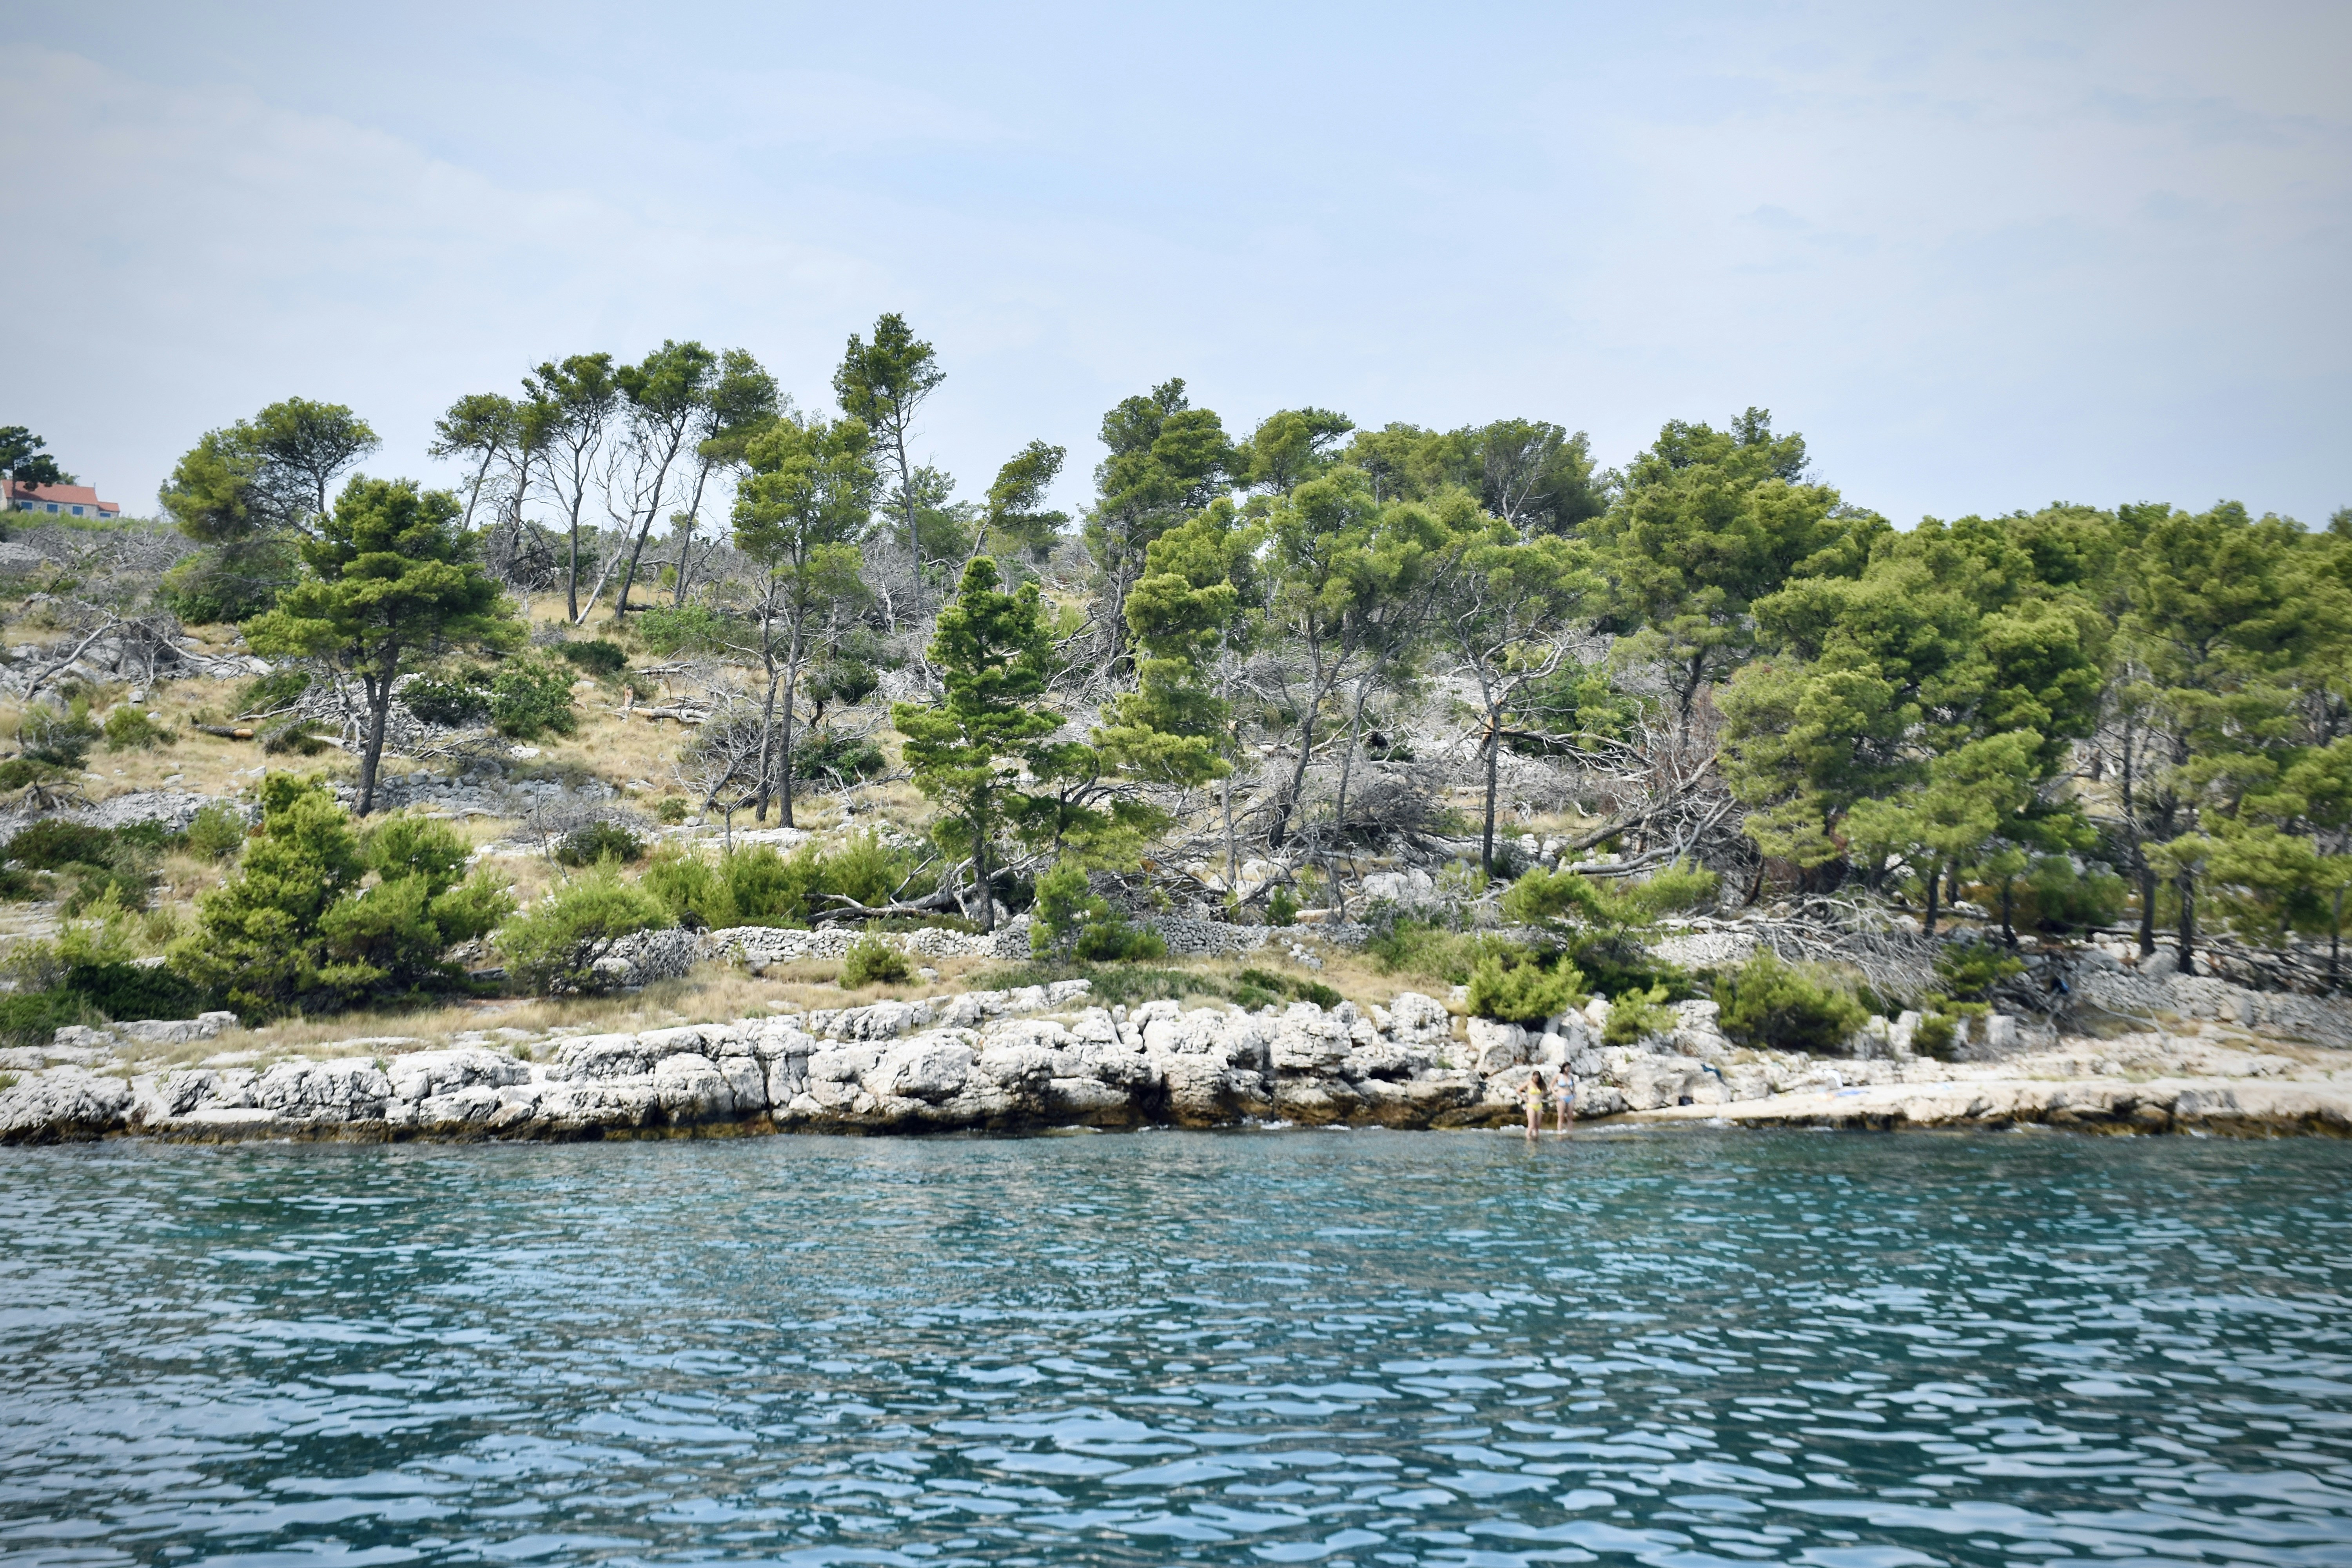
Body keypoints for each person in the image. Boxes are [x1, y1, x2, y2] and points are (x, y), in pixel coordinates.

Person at [1523, 1069, 1546, 1138]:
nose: (1537, 1079)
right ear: (1533, 1077)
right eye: (1535, 1078)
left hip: (1539, 1105)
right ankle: (1528, 1139)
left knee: (1537, 1126)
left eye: (1538, 1078)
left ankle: (1536, 1140)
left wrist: (1541, 1097)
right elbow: (1518, 1090)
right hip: (1531, 1105)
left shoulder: (1540, 1084)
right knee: (1531, 1125)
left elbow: (1545, 1091)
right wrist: (1524, 1098)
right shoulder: (1529, 1083)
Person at [1553, 1070, 1576, 1134]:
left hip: (1570, 1097)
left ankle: (1570, 1132)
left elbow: (1573, 1085)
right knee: (1561, 1116)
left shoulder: (1570, 1076)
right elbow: (1551, 1085)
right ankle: (1560, 1132)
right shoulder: (1559, 1076)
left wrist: (1574, 1092)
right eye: (1567, 1068)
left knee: (1570, 1116)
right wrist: (1555, 1094)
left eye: (1569, 1068)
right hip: (1561, 1097)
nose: (1568, 1069)